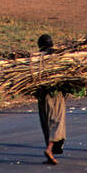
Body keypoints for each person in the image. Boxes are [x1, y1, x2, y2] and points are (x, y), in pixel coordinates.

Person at [35, 33, 66, 165]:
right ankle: (49, 149)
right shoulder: (56, 59)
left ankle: (51, 153)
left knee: (46, 123)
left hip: (42, 96)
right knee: (57, 122)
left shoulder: (36, 60)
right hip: (55, 95)